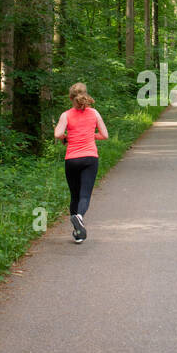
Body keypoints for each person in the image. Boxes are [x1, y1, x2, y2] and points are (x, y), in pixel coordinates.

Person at [53, 82, 109, 242]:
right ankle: (79, 217)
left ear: (70, 97)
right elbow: (104, 135)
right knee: (85, 195)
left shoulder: (66, 115)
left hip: (72, 159)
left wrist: (66, 137)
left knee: (74, 195)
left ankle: (78, 233)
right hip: (90, 158)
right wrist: (91, 136)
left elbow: (58, 133)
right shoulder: (94, 113)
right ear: (85, 94)